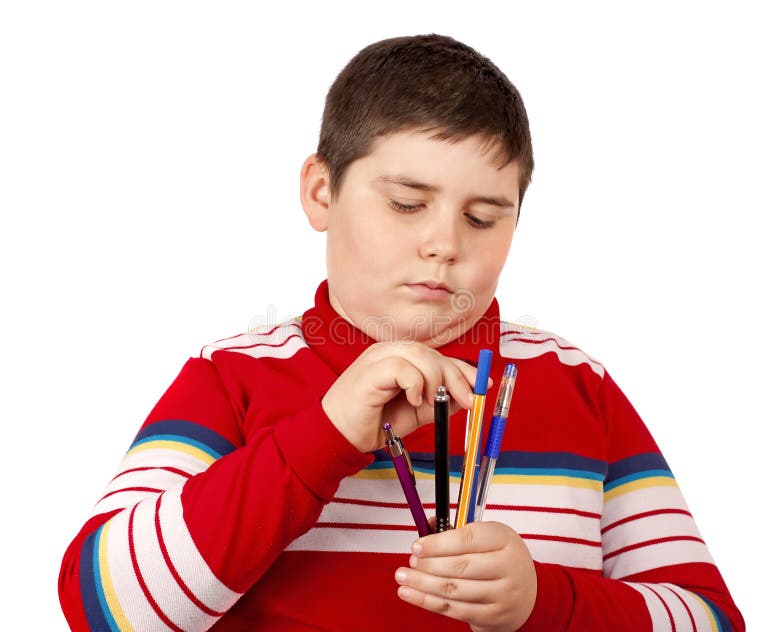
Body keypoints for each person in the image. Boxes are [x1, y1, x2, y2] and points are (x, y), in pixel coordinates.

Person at [58, 34, 744, 631]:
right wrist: (321, 438)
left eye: (483, 218)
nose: (443, 243)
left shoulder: (579, 387)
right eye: (408, 203)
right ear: (320, 192)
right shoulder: (233, 376)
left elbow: (710, 617)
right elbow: (102, 604)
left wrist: (545, 604)